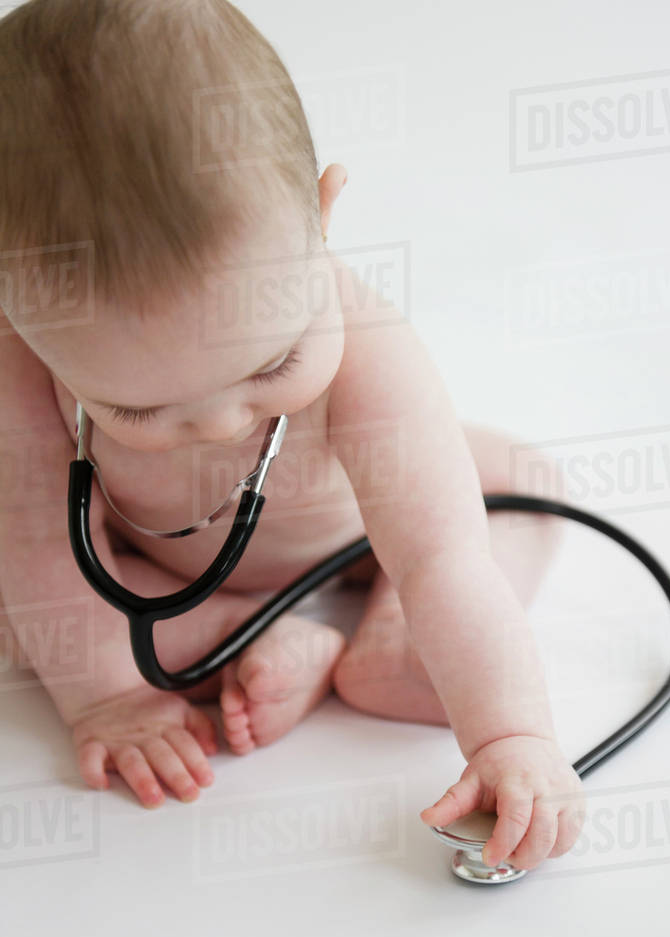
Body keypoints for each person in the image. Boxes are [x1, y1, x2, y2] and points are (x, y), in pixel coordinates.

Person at [0, 0, 585, 871]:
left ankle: (389, 641)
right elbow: (39, 542)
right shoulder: (21, 365)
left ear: (320, 216)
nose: (220, 421)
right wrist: (109, 698)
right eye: (137, 409)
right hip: (173, 579)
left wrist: (512, 733)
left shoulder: (368, 345)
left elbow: (441, 555)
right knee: (30, 623)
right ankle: (266, 635)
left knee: (520, 486)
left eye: (272, 365)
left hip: (359, 533)